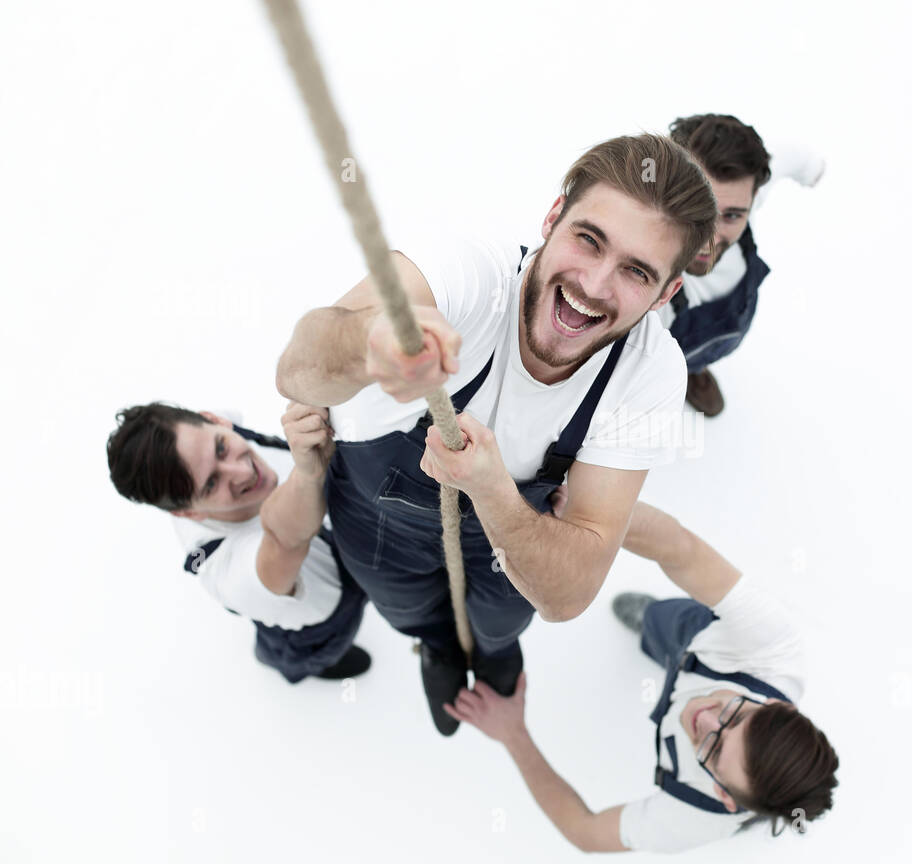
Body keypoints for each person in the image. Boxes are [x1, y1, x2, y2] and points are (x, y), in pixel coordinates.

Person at [275, 133, 717, 735]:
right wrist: (368, 346)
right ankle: (435, 646)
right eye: (589, 240)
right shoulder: (467, 273)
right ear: (553, 217)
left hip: (510, 541)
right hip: (380, 521)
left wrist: (494, 493)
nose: (593, 284)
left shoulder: (649, 370)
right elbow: (297, 367)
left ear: (667, 294)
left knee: (502, 621)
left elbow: (567, 595)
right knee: (408, 610)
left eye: (636, 272)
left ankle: (495, 650)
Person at [445, 499, 839, 853]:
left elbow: (585, 831)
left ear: (723, 794)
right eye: (736, 714)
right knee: (663, 621)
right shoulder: (770, 646)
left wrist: (513, 734)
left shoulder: (694, 818)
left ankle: (758, 796)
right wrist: (594, 516)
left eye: (714, 750)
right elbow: (680, 550)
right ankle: (652, 626)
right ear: (771, 703)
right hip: (696, 643)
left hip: (707, 679)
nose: (704, 716)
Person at [106, 401, 370, 683]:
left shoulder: (209, 432)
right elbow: (285, 540)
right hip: (321, 628)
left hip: (340, 560)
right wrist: (310, 472)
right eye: (211, 483)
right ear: (189, 512)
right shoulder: (229, 574)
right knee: (300, 654)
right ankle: (294, 662)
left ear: (214, 420)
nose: (243, 472)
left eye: (221, 448)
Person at [660, 113, 825, 416]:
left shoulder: (743, 188)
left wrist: (812, 170)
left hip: (718, 337)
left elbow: (787, 160)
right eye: (697, 207)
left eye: (732, 215)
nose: (708, 239)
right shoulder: (645, 302)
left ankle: (696, 370)